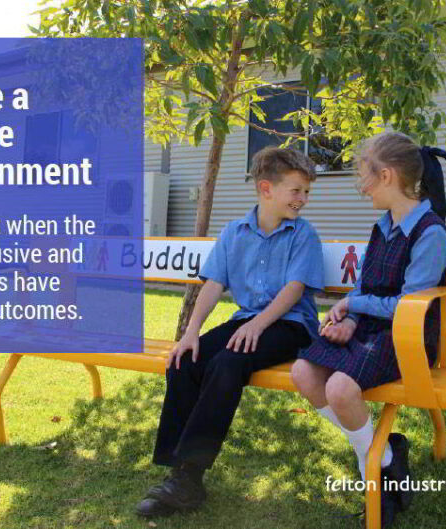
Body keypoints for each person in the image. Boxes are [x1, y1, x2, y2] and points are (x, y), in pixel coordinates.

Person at [136, 147, 324, 518]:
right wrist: (191, 332)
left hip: (290, 326)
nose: (303, 199)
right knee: (184, 360)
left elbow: (294, 290)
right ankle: (178, 470)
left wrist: (257, 324)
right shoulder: (234, 232)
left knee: (228, 363)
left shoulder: (302, 234)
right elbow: (212, 284)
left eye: (306, 192)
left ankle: (189, 477)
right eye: (296, 190)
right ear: (267, 188)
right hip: (247, 321)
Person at [291, 132, 446, 528]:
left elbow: (407, 305)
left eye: (364, 176)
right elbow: (365, 286)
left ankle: (373, 477)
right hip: (370, 328)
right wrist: (348, 320)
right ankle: (385, 459)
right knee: (303, 372)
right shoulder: (383, 226)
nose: (362, 187)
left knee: (339, 388)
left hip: (408, 336)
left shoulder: (430, 232)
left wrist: (354, 306)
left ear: (386, 176)